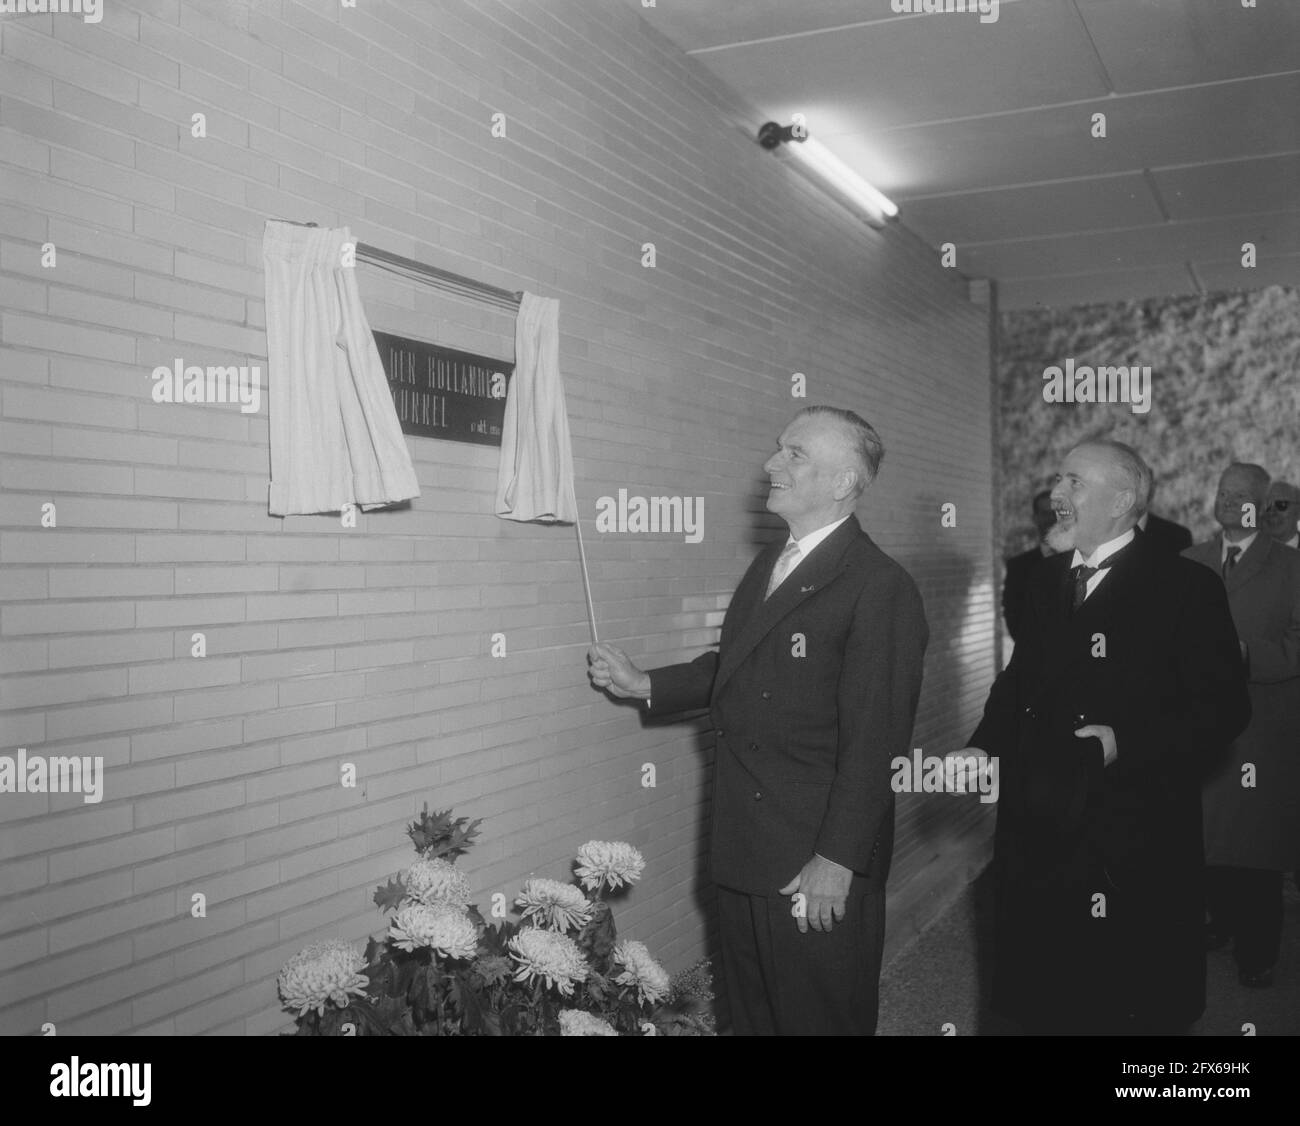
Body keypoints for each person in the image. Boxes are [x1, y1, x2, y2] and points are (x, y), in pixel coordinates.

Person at [588, 406, 928, 1035]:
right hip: (746, 852)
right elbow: (743, 663)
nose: (772, 463)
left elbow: (876, 743)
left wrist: (837, 861)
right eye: (780, 449)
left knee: (815, 1023)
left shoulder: (879, 587)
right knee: (752, 1022)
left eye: (795, 454)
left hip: (813, 864)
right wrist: (649, 684)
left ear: (843, 483)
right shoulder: (774, 564)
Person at [956, 439, 1249, 1034]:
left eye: (1073, 484)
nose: (1056, 495)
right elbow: (1019, 682)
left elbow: (1223, 708)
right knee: (1041, 994)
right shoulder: (1044, 580)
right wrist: (981, 747)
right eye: (1058, 482)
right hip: (1039, 818)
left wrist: (1126, 740)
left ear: (1120, 502)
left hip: (1130, 826)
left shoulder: (1187, 587)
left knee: (1124, 999)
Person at [1183, 464, 1300, 988]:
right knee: (1206, 840)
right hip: (1200, 728)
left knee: (1257, 847)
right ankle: (1219, 924)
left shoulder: (1292, 567)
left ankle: (1259, 951)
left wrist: (1247, 654)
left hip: (1263, 726)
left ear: (1262, 504)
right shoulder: (1188, 561)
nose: (1229, 502)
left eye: (1242, 496)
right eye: (1222, 492)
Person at [1002, 488, 1055, 643]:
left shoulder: (1084, 561)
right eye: (1045, 513)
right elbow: (1014, 618)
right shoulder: (1018, 567)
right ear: (1035, 518)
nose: (1051, 518)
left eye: (1055, 512)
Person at [1136, 479, 1193, 553]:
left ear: (1152, 490)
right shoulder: (1117, 528)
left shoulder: (1178, 535)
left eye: (1145, 486)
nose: (1141, 492)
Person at [1263, 480, 1300, 549]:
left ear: (1298, 512)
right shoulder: (1245, 552)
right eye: (1267, 505)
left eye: (1281, 505)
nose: (1271, 512)